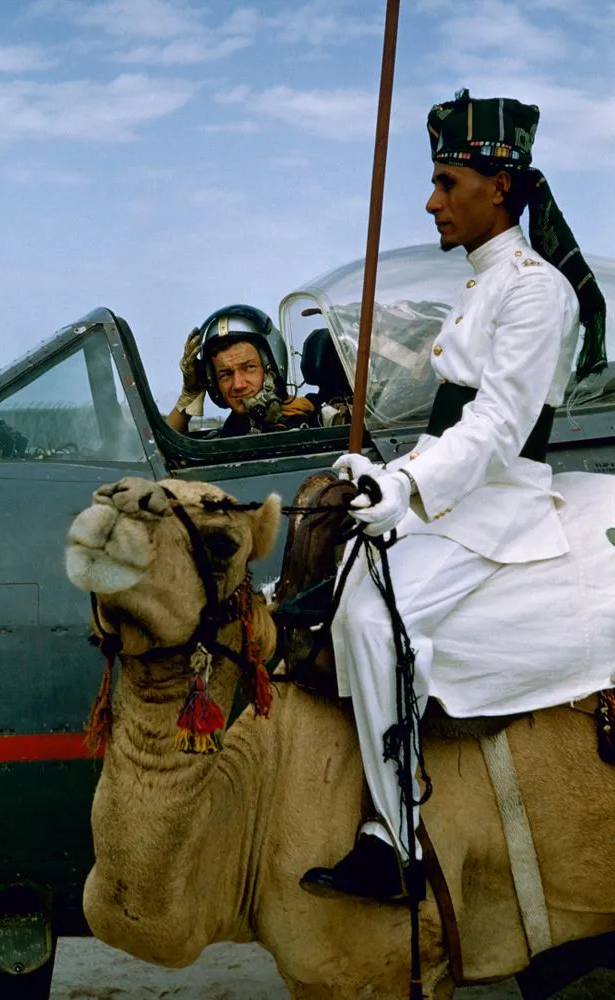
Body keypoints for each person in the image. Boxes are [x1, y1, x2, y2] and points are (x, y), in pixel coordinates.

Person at [299, 89, 607, 904]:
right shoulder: (483, 284)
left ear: (497, 188)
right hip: (459, 489)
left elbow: (500, 427)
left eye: (445, 183)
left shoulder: (535, 291)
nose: (431, 202)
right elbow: (452, 423)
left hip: (500, 501)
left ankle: (396, 841)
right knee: (338, 585)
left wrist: (406, 484)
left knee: (372, 621)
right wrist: (379, 466)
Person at [166, 305, 318, 436]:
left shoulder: (318, 420)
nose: (238, 385)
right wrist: (190, 394)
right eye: (225, 375)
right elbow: (158, 457)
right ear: (213, 383)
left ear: (271, 368)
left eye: (249, 368)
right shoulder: (229, 436)